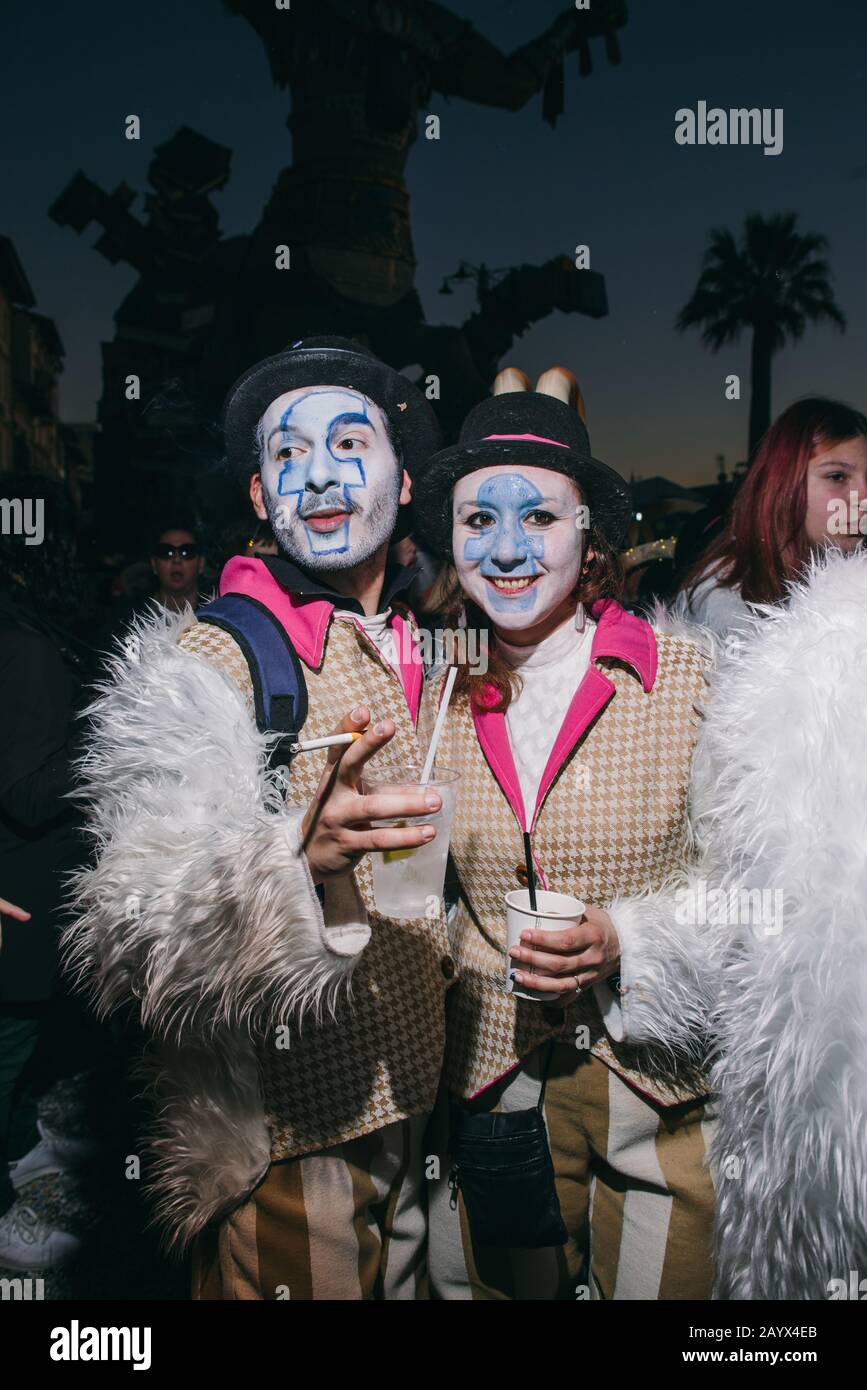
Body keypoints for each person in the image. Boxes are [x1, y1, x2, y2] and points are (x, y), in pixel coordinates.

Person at [64, 337, 456, 1300]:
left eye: (350, 445)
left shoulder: (428, 648)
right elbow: (128, 928)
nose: (317, 475)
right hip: (292, 1141)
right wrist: (294, 857)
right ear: (256, 499)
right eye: (286, 456)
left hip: (419, 1104)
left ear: (404, 484)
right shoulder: (212, 661)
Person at [411, 369, 717, 1300]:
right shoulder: (432, 695)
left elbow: (769, 892)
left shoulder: (692, 680)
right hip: (496, 1086)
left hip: (659, 1092)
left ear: (587, 535)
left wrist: (628, 938)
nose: (506, 549)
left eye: (539, 517)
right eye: (477, 521)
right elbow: (419, 892)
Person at [598, 545, 867, 1299]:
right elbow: (734, 889)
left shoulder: (815, 650)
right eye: (836, 477)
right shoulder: (726, 657)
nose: (859, 500)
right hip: (773, 1083)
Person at [0, 485, 91, 1270]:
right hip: (18, 895)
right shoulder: (24, 642)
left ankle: (23, 1147)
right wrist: (109, 752)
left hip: (25, 889)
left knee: (23, 1053)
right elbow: (28, 791)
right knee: (8, 1047)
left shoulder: (25, 633)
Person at [680, 398, 867, 637]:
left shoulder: (843, 572)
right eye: (837, 476)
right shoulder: (726, 604)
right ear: (783, 486)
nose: (863, 496)